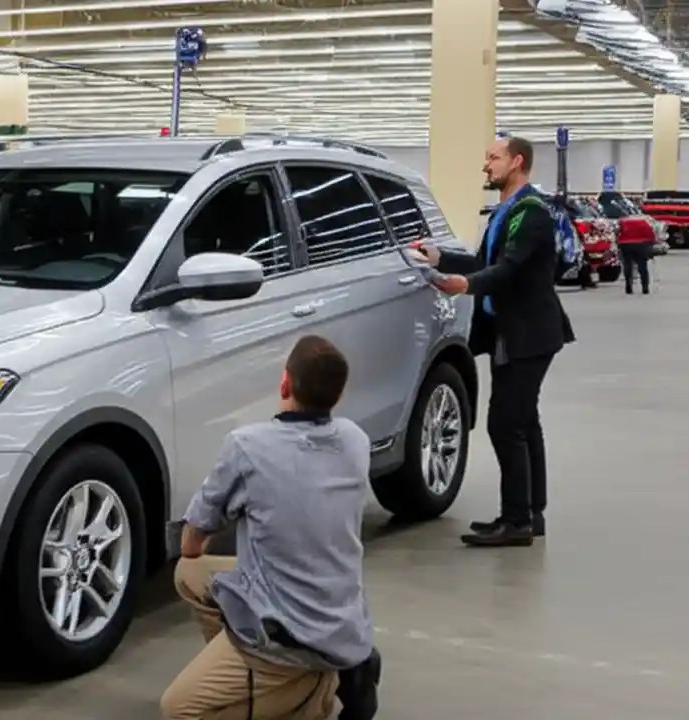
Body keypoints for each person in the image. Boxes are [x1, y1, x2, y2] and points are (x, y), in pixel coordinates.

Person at [160, 335, 381, 720]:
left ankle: (308, 689)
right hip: (342, 617)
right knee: (193, 577)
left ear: (284, 383)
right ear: (338, 395)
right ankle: (274, 674)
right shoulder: (355, 440)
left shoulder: (247, 446)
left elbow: (193, 539)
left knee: (179, 709)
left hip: (289, 632)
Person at [415, 135, 575, 548]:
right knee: (524, 422)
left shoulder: (531, 214)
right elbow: (487, 263)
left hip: (528, 335)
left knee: (504, 424)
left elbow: (508, 270)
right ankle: (530, 513)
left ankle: (516, 521)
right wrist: (440, 259)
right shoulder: (507, 213)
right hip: (519, 332)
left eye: (493, 157)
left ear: (517, 161)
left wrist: (462, 285)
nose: (486, 165)